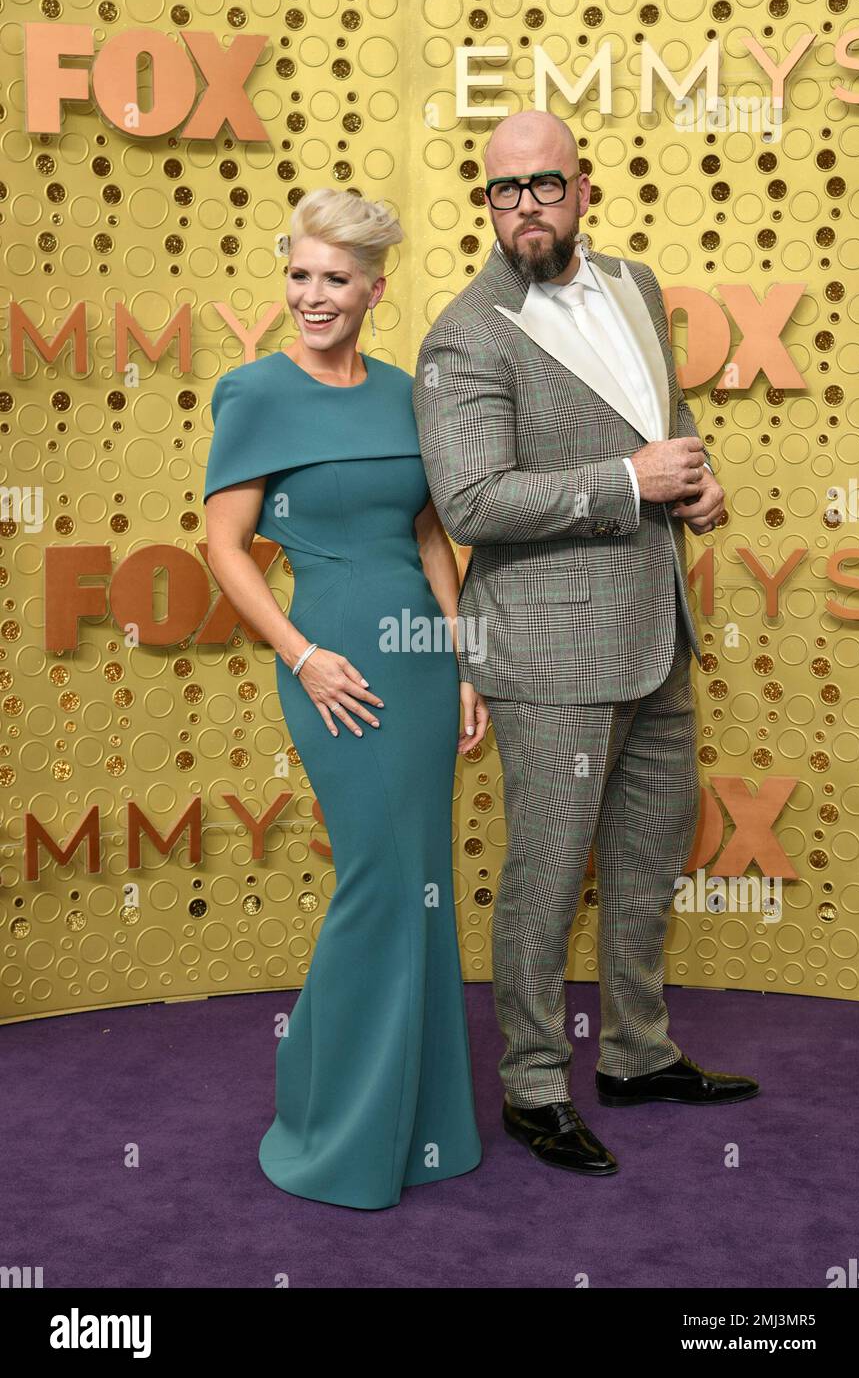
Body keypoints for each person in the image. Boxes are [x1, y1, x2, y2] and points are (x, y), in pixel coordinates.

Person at [412, 110, 759, 1181]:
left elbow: (662, 423)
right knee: (546, 878)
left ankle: (635, 1053)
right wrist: (627, 485)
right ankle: (530, 1085)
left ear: (582, 188)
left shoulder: (638, 286)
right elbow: (469, 502)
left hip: (655, 629)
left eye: (542, 185)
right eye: (500, 191)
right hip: (546, 654)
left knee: (648, 866)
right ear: (485, 203)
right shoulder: (463, 333)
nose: (523, 207)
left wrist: (693, 486)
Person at [203, 187, 487, 1209]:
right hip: (334, 665)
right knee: (378, 878)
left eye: (334, 279)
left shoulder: (407, 391)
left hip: (415, 659)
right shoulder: (253, 391)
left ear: (372, 287)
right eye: (298, 276)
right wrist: (302, 653)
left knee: (423, 882)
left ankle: (419, 1125)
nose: (311, 297)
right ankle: (332, 1120)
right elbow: (225, 548)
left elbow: (424, 534)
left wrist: (461, 658)